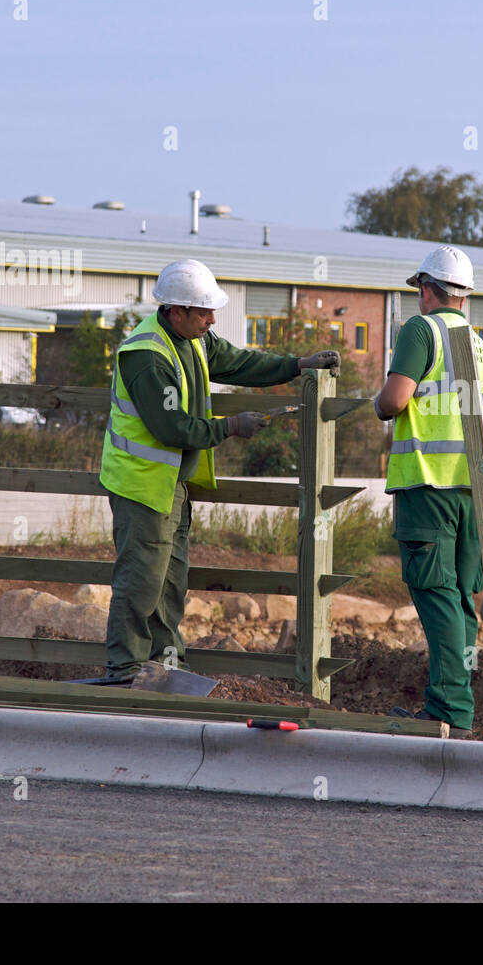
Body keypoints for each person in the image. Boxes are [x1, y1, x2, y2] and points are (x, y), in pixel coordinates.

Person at [99, 258, 341, 681]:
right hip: (140, 486)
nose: (212, 321)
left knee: (170, 585)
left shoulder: (193, 340)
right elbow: (171, 427)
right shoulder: (146, 356)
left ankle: (166, 667)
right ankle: (125, 670)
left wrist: (297, 364)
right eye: (204, 312)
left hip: (168, 484)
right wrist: (231, 426)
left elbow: (241, 363)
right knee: (141, 583)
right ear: (176, 311)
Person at [374, 246, 483, 737]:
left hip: (427, 486)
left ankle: (449, 709)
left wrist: (378, 402)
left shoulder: (419, 331)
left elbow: (393, 401)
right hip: (474, 493)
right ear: (464, 296)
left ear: (426, 290)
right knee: (464, 599)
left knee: (438, 594)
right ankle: (455, 704)